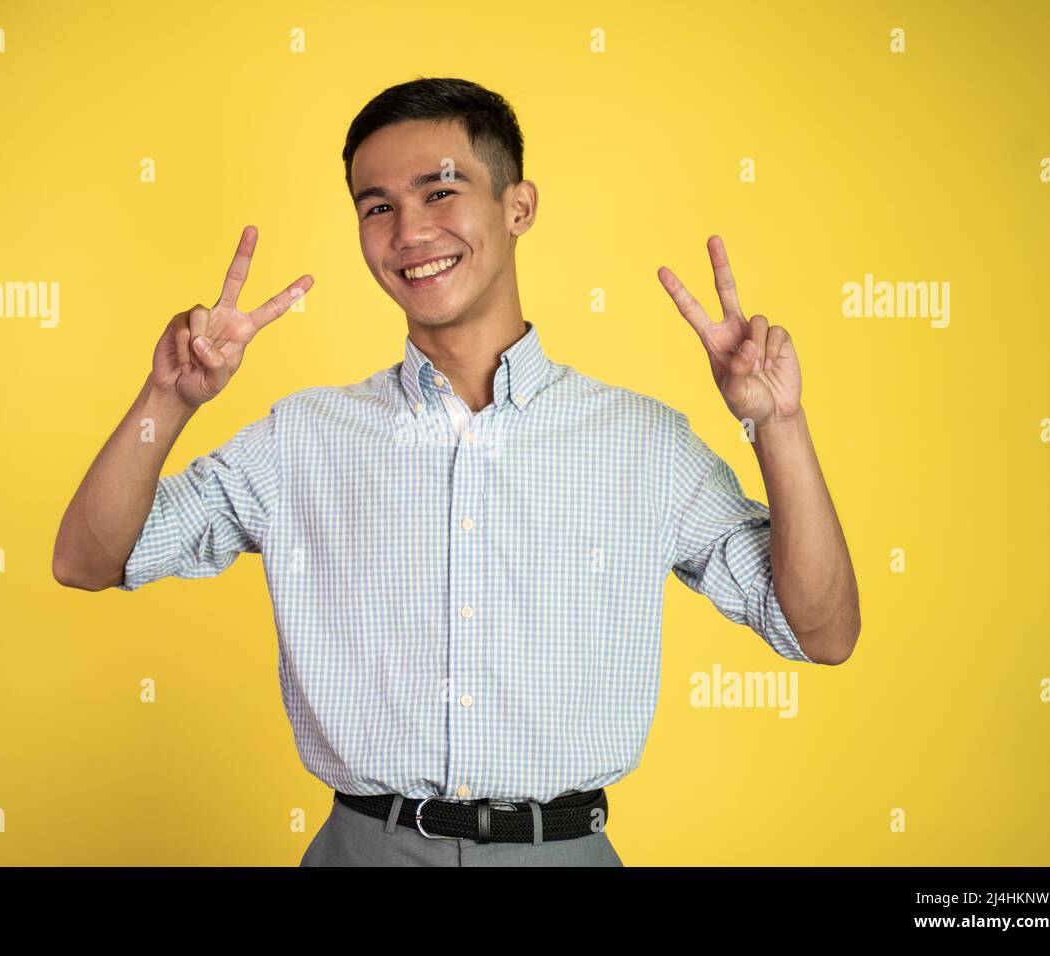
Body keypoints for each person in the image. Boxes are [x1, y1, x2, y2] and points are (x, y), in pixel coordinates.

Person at [52, 77, 861, 867]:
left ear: (519, 207)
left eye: (441, 191)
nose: (408, 231)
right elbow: (90, 560)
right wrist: (169, 396)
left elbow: (822, 632)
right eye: (378, 206)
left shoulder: (643, 443)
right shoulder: (301, 438)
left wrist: (777, 424)